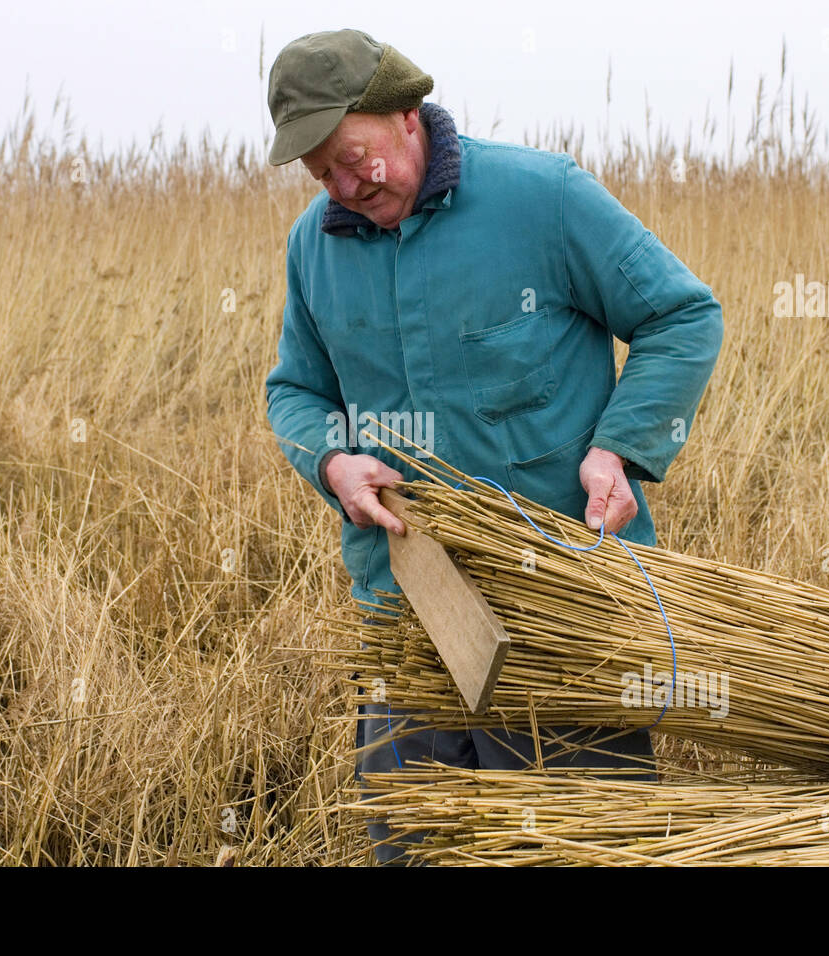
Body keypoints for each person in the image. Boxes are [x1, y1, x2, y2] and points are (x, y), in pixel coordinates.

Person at [264, 28, 724, 863]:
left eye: (352, 157)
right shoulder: (313, 247)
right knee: (419, 848)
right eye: (319, 171)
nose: (343, 185)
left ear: (405, 114)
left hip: (563, 615)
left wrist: (619, 449)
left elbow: (682, 316)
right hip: (404, 622)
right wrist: (333, 460)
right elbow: (295, 389)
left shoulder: (542, 198)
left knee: (583, 849)